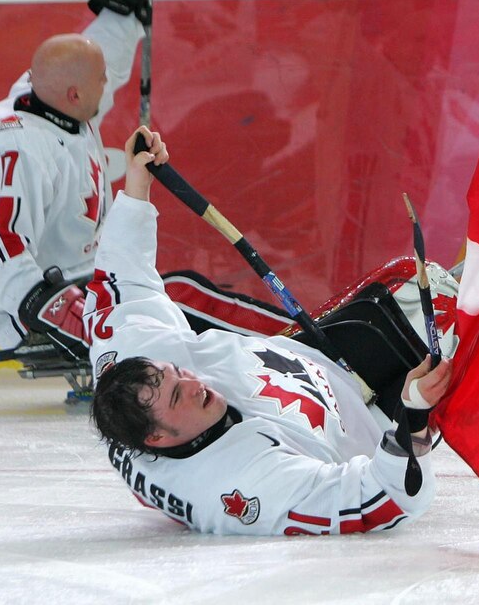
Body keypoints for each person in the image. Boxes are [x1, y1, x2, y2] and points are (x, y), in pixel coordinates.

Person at [87, 127, 451, 535]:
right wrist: (414, 417)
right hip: (380, 425)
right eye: (177, 395)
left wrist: (138, 182)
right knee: (473, 339)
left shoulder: (132, 363)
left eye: (178, 374)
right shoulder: (238, 489)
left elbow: (121, 278)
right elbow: (382, 500)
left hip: (318, 359)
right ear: (156, 439)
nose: (191, 383)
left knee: (423, 283)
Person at [0, 0, 288, 392]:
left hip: (92, 286)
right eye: (100, 83)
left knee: (177, 294)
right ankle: (305, 342)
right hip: (39, 309)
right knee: (184, 295)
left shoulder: (51, 96)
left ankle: (294, 341)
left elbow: (100, 59)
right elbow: (2, 250)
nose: (109, 84)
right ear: (74, 96)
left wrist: (125, 2)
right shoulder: (15, 148)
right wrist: (61, 311)